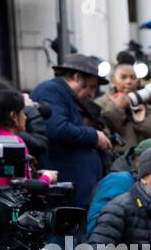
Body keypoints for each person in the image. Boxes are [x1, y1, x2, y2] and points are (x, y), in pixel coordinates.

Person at [29, 54, 112, 208]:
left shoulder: (65, 95)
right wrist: (94, 136)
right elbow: (58, 129)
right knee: (69, 234)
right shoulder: (51, 91)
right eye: (91, 87)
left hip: (75, 193)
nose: (92, 94)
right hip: (65, 195)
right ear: (76, 77)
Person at [95, 57, 151, 156]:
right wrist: (118, 108)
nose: (129, 82)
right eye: (123, 77)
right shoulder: (101, 103)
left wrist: (142, 122)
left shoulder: (146, 106)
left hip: (145, 162)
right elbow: (100, 133)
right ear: (113, 80)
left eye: (133, 78)